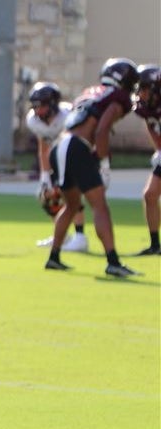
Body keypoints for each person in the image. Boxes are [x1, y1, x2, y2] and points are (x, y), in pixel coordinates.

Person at [44, 58, 140, 276]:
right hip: (77, 147)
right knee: (99, 206)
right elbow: (101, 131)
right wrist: (104, 164)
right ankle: (113, 262)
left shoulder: (89, 93)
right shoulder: (117, 99)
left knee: (72, 205)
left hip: (59, 145)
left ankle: (54, 257)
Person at [26, 81, 89, 252]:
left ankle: (80, 237)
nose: (38, 111)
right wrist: (45, 175)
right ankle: (62, 235)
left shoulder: (68, 115)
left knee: (72, 194)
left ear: (53, 104)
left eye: (41, 106)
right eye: (35, 106)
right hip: (56, 158)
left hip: (76, 156)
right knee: (47, 196)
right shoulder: (34, 120)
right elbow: (43, 146)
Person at [131, 64, 161, 256]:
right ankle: (155, 245)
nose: (140, 93)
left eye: (143, 88)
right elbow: (151, 125)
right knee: (150, 195)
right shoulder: (148, 108)